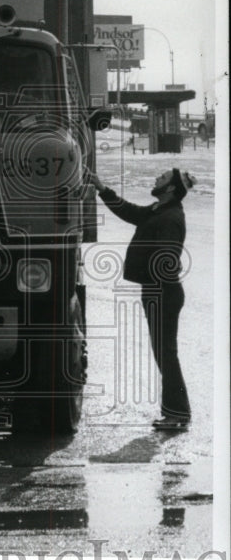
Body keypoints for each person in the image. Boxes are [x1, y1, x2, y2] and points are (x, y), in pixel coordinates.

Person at [85, 167, 196, 431]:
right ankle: (177, 411)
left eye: (164, 177)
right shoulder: (159, 210)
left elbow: (166, 259)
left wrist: (146, 273)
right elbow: (131, 212)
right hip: (158, 291)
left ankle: (178, 413)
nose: (158, 178)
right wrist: (102, 188)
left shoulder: (170, 217)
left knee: (166, 354)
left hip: (163, 292)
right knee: (164, 353)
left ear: (170, 189)